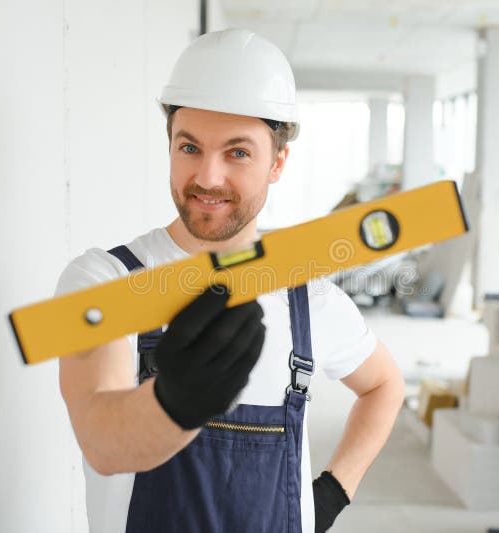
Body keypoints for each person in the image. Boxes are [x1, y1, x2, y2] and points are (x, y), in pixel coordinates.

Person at [56, 28, 405, 533]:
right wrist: (174, 401)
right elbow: (101, 442)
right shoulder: (101, 281)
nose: (208, 177)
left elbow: (385, 385)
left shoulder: (309, 300)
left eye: (238, 152)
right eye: (190, 147)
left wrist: (331, 494)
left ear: (277, 162)